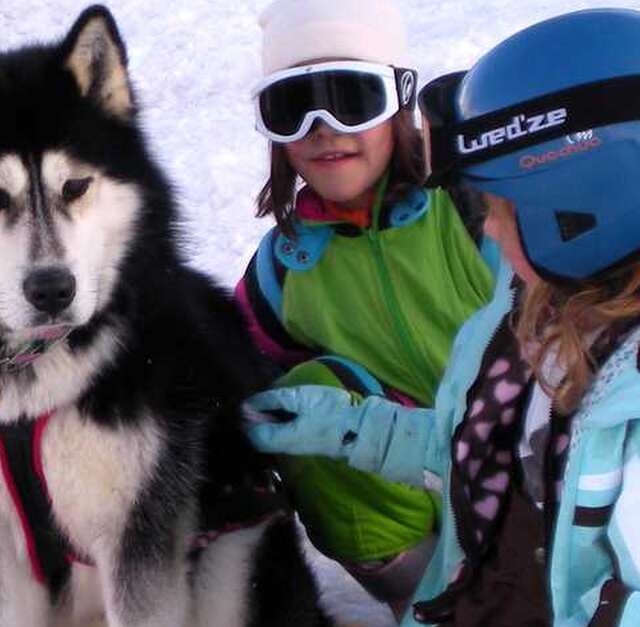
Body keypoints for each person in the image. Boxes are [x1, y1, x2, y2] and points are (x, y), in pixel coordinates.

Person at [247, 8, 640, 625]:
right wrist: (344, 427)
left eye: (506, 207)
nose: (488, 223)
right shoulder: (517, 327)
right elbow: (472, 444)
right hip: (465, 563)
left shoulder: (619, 392)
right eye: (292, 108)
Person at [235, 0, 498, 614]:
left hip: (530, 478)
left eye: (352, 98)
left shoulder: (475, 212)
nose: (323, 128)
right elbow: (227, 377)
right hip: (411, 510)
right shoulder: (285, 265)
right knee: (298, 396)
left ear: (400, 100)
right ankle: (435, 605)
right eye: (292, 108)